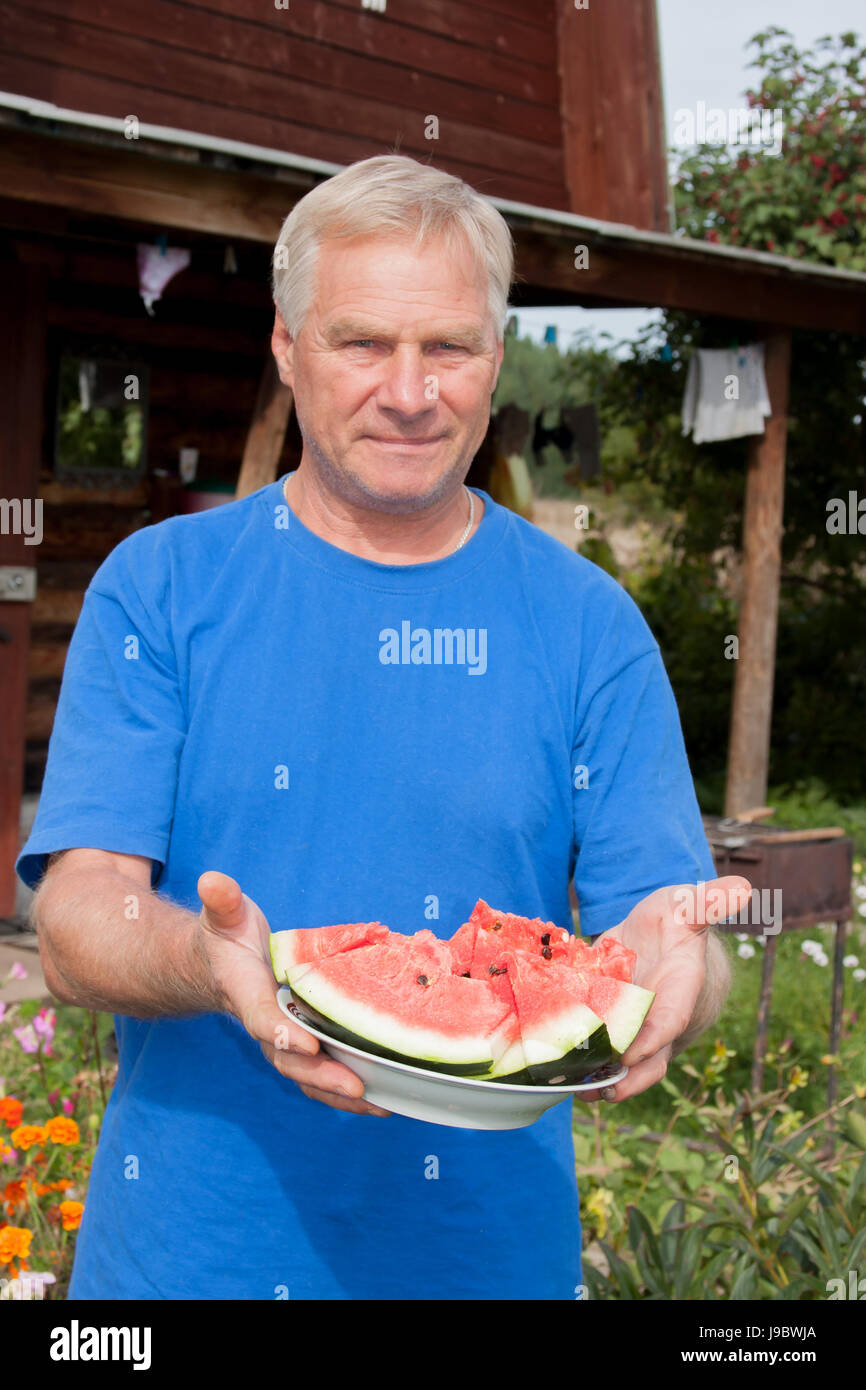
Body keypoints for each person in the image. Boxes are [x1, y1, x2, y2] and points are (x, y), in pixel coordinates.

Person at [17, 154, 748, 1300]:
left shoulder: (588, 625)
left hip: (484, 1269)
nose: (409, 392)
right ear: (285, 345)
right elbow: (71, 923)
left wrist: (682, 972)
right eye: (361, 342)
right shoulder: (157, 586)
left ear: (494, 359)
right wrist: (212, 966)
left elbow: (659, 919)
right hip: (182, 1270)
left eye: (448, 347)